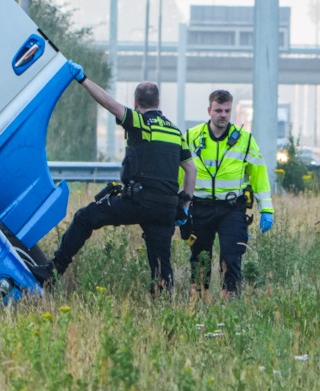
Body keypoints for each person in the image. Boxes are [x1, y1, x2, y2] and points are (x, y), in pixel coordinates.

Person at [51, 77, 195, 290]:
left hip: (139, 201)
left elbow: (109, 103)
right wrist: (183, 207)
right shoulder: (175, 132)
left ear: (136, 103)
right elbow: (191, 169)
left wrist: (83, 80)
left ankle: (53, 271)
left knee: (84, 217)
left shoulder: (140, 121)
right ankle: (163, 305)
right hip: (166, 208)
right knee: (160, 262)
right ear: (158, 102)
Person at [184, 89, 273, 296]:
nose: (223, 115)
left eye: (227, 111)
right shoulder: (192, 137)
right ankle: (198, 299)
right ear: (209, 110)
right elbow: (180, 173)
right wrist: (179, 207)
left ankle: (230, 301)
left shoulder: (245, 139)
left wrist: (266, 208)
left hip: (231, 208)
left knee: (232, 257)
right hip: (201, 207)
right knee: (199, 257)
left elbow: (259, 174)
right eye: (218, 110)